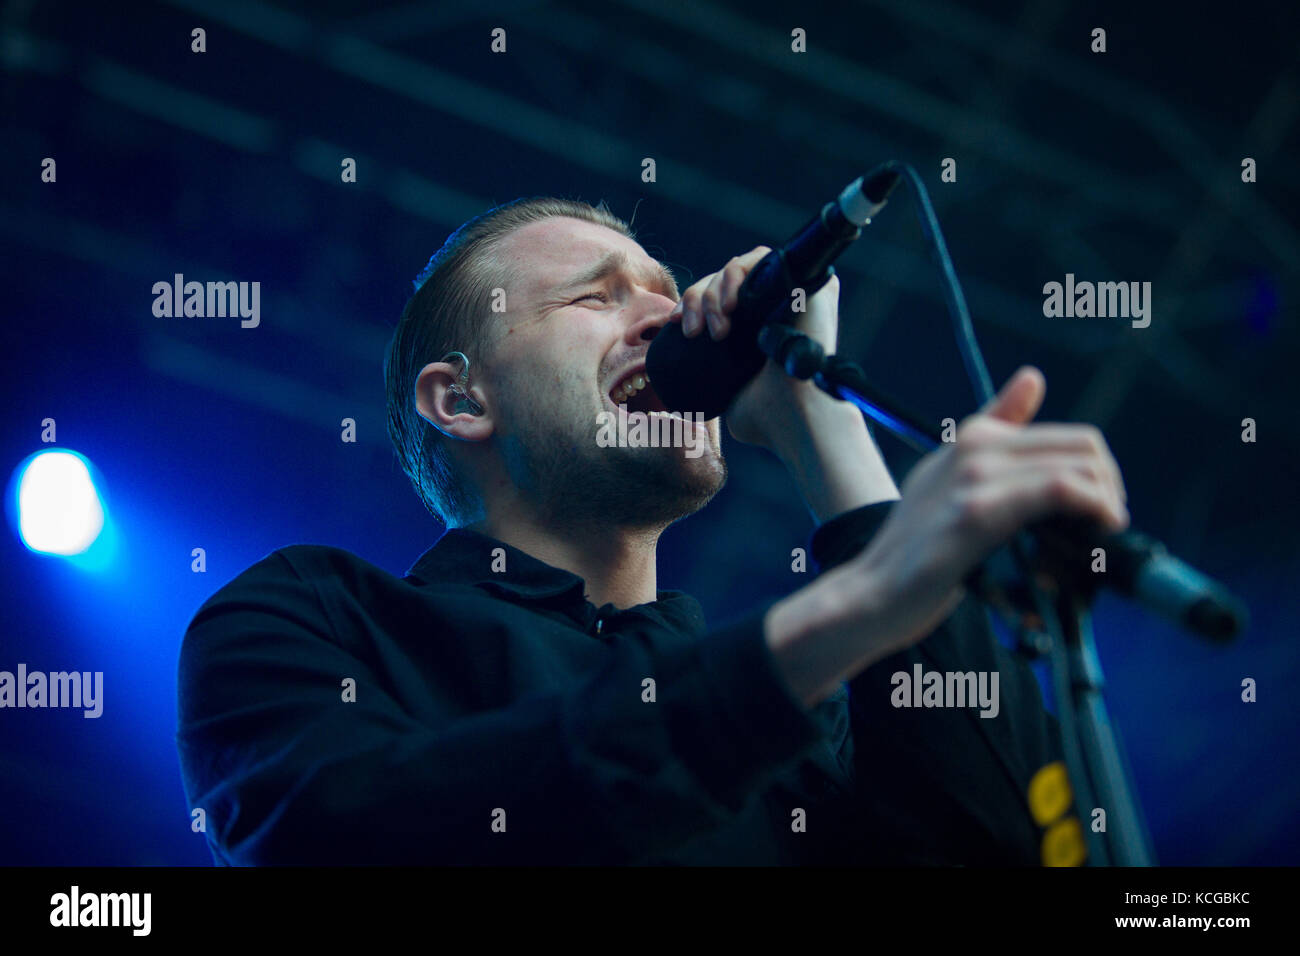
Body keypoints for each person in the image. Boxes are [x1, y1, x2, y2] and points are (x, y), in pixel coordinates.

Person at [176, 197, 1128, 865]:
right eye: (597, 298)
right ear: (459, 398)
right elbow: (354, 839)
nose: (666, 320)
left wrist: (820, 423)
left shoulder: (819, 718)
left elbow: (1003, 847)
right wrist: (850, 612)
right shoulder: (314, 619)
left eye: (666, 294)